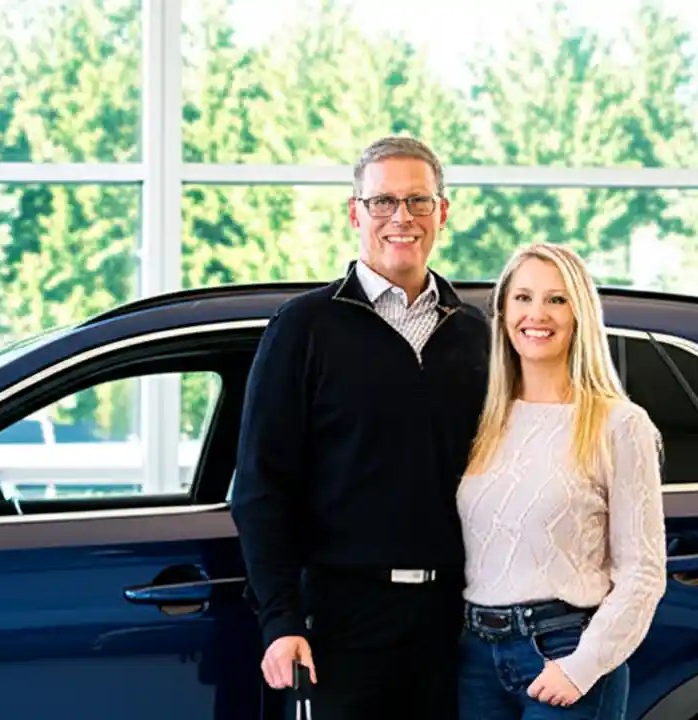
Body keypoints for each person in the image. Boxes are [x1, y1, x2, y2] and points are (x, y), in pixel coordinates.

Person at [230, 135, 491, 719]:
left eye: (419, 202)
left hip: (458, 624)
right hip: (340, 625)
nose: (402, 217)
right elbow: (260, 486)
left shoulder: (477, 335)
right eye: (383, 202)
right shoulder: (305, 328)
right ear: (356, 213)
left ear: (442, 213)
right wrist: (281, 620)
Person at [455, 242, 667, 720]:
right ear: (503, 310)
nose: (537, 314)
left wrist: (582, 667)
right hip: (475, 657)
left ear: (580, 314)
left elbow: (644, 573)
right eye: (523, 298)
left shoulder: (619, 423)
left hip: (564, 647)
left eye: (557, 299)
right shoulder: (486, 421)